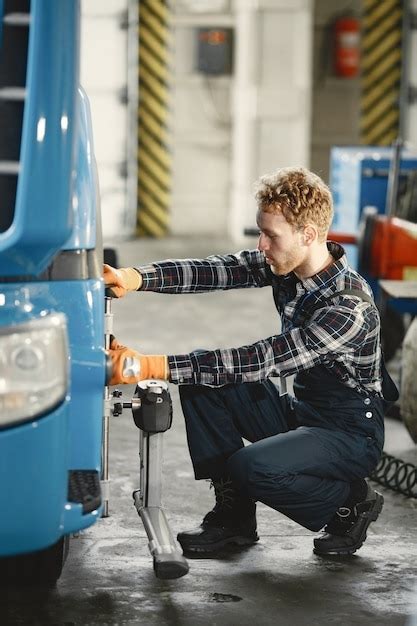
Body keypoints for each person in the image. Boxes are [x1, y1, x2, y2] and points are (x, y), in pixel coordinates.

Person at [104, 166, 396, 558]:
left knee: (251, 466)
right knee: (201, 375)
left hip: (349, 433)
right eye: (260, 232)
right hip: (306, 412)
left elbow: (265, 359)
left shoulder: (348, 307)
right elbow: (215, 270)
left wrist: (150, 366)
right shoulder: (289, 266)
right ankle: (234, 519)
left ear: (308, 235)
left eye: (271, 235)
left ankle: (351, 501)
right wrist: (135, 276)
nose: (261, 244)